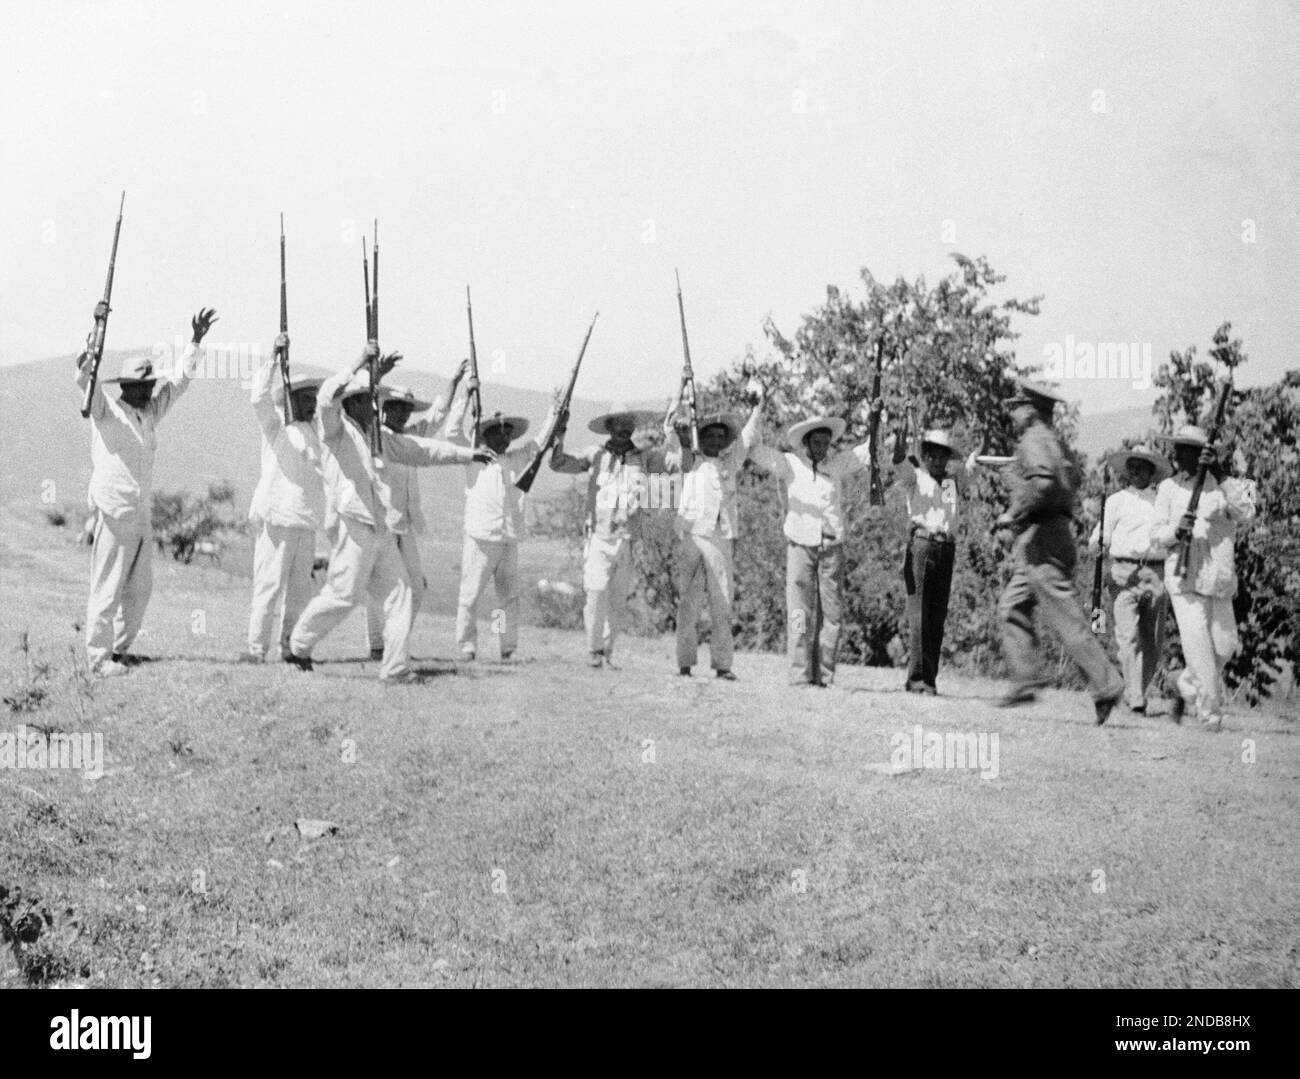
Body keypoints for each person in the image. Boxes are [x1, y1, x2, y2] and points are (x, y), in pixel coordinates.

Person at [285, 343, 493, 683]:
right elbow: (326, 397)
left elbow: (422, 450)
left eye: (374, 400)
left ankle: (395, 668)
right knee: (344, 595)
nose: (375, 406)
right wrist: (361, 364)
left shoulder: (378, 436)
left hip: (379, 526)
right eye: (369, 400)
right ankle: (299, 646)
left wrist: (467, 454)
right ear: (352, 403)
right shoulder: (335, 430)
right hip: (351, 523)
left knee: (401, 595)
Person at [77, 307, 218, 676]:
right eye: (145, 384)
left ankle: (119, 651)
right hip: (113, 510)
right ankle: (97, 657)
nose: (152, 388)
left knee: (139, 591)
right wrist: (95, 333)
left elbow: (178, 384)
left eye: (151, 384)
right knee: (107, 587)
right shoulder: (106, 411)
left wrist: (196, 342)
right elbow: (85, 379)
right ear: (127, 386)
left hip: (140, 513)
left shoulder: (148, 414)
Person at [994, 379, 1124, 723]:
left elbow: (1044, 482)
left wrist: (1013, 512)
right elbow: (1073, 478)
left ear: (1029, 410)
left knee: (1066, 618)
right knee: (1011, 606)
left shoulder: (1032, 439)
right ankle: (1024, 679)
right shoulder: (1055, 442)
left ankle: (1107, 684)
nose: (1012, 415)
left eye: (1016, 408)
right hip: (1051, 534)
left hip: (1042, 537)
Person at [747, 402, 880, 687]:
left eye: (825, 441)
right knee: (799, 612)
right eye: (816, 441)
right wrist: (757, 411)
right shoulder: (790, 464)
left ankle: (825, 676)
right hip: (800, 547)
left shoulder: (838, 464)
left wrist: (876, 417)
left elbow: (871, 449)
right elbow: (754, 450)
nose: (821, 446)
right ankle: (799, 673)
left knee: (831, 615)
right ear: (806, 443)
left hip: (832, 548)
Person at [1150, 426, 1256, 730]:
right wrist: (1176, 532)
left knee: (1225, 647)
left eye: (1187, 449)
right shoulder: (1168, 488)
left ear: (1203, 455)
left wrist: (1220, 475)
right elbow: (1156, 535)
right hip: (1184, 578)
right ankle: (1211, 716)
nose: (1179, 455)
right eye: (1178, 448)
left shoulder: (1229, 485)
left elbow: (1246, 512)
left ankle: (1185, 682)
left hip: (1219, 578)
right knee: (1198, 648)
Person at [362, 359, 469, 659]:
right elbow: (364, 403)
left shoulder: (411, 437)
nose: (403, 413)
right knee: (380, 587)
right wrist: (376, 375)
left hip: (406, 523)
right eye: (397, 407)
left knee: (416, 586)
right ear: (385, 409)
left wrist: (454, 380)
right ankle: (378, 645)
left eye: (406, 409)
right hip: (381, 521)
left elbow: (437, 415)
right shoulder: (373, 436)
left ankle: (396, 643)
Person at [549, 402, 666, 668]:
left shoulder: (644, 458)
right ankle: (593, 649)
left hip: (627, 538)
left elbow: (674, 465)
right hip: (599, 536)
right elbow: (558, 463)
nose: (624, 430)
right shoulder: (595, 455)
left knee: (617, 599)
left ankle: (608, 653)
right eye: (618, 425)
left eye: (628, 425)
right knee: (596, 591)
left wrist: (674, 433)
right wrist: (559, 434)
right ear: (609, 427)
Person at [444, 375, 553, 662]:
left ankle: (506, 647)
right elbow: (451, 432)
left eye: (507, 433)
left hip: (508, 537)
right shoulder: (472, 456)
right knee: (470, 594)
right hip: (480, 536)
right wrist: (466, 395)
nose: (504, 437)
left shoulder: (517, 459)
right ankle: (467, 646)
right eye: (497, 432)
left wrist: (556, 410)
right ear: (485, 435)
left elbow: (541, 441)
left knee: (506, 598)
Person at [666, 391, 764, 680]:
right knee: (688, 604)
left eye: (722, 437)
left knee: (722, 604)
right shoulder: (690, 460)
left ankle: (723, 665)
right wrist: (678, 398)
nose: (717, 441)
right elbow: (671, 433)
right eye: (711, 436)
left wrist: (758, 408)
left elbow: (748, 435)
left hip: (721, 540)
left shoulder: (730, 462)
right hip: (693, 537)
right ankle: (684, 663)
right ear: (702, 437)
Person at [241, 334, 325, 664]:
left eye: (313, 399)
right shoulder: (275, 426)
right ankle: (255, 649)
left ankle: (291, 648)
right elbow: (258, 397)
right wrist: (273, 358)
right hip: (276, 516)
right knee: (269, 586)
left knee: (300, 592)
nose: (311, 404)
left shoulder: (317, 432)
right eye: (304, 398)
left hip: (306, 520)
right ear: (290, 399)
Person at [1086, 445, 1172, 713]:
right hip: (1123, 572)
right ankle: (1135, 697)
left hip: (1156, 572)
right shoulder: (1115, 501)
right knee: (1127, 635)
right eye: (1131, 466)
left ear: (1151, 471)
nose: (1135, 471)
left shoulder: (1162, 503)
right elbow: (1099, 536)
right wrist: (1100, 543)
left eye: (1141, 467)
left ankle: (1139, 690)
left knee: (1153, 640)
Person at [892, 421, 976, 695]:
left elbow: (959, 494)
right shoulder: (916, 477)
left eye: (943, 455)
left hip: (946, 548)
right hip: (922, 545)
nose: (938, 460)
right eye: (932, 455)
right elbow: (898, 462)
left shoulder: (951, 483)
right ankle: (916, 678)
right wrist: (901, 440)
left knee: (937, 617)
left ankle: (929, 678)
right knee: (919, 615)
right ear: (925, 455)